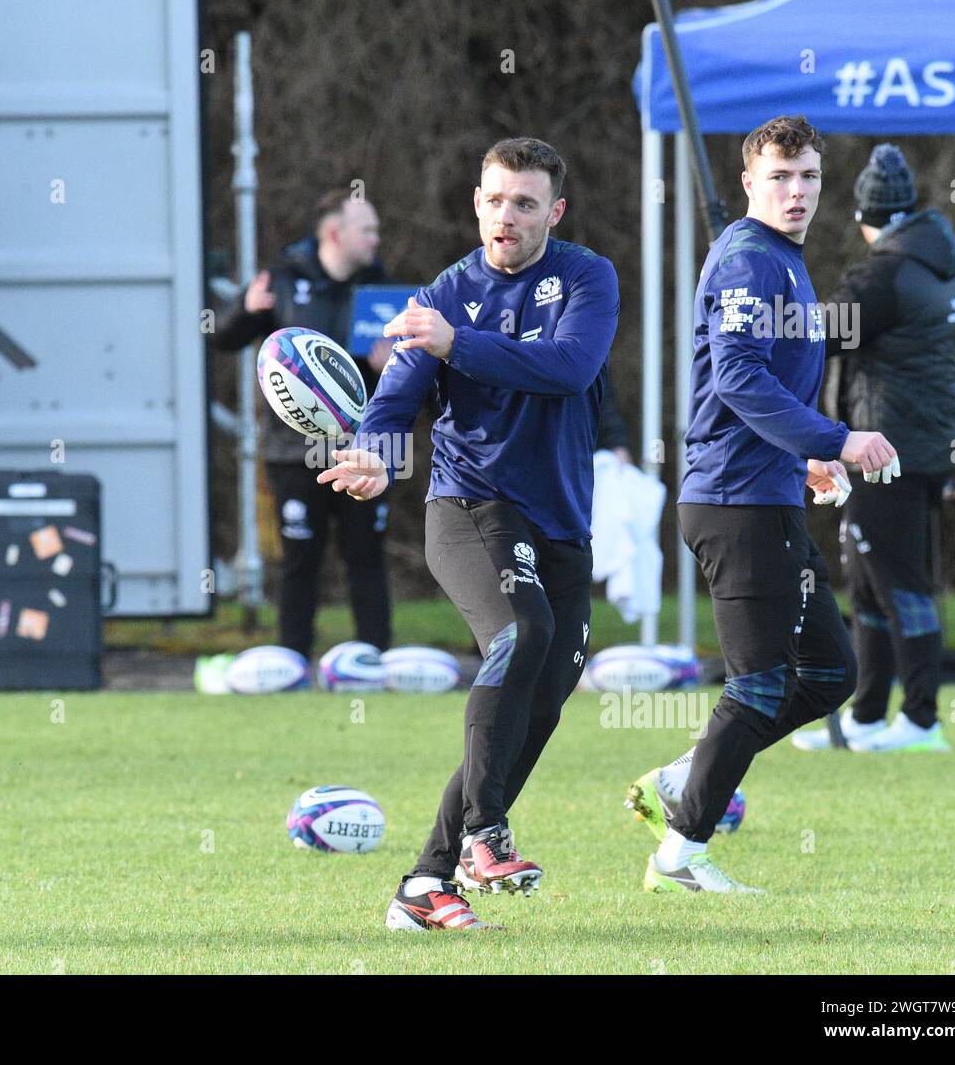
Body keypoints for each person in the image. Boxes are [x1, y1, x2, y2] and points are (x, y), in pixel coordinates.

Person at [319, 137, 619, 930]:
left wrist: (461, 344)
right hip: (469, 507)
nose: (506, 216)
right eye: (493, 199)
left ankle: (425, 883)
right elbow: (393, 402)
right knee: (520, 635)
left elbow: (567, 369)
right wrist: (378, 458)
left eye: (524, 202)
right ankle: (484, 836)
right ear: (476, 202)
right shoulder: (446, 293)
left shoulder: (588, 278)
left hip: (560, 521)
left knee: (542, 701)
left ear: (554, 211)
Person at [623, 115, 900, 894]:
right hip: (734, 506)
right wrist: (837, 439)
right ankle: (679, 855)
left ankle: (683, 776)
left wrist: (804, 454)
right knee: (758, 685)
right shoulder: (749, 260)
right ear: (749, 183)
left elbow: (753, 387)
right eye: (780, 177)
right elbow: (740, 379)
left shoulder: (781, 259)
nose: (797, 191)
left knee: (829, 673)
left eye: (809, 176)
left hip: (764, 494)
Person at [794, 145, 955, 753]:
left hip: (886, 451)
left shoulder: (885, 274)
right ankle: (868, 715)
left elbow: (817, 336)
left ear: (866, 216)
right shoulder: (944, 269)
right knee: (869, 576)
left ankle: (922, 720)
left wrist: (766, 318)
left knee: (897, 580)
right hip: (922, 447)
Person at [212, 190, 391, 661]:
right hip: (293, 452)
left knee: (366, 556)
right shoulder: (284, 280)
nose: (377, 238)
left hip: (365, 452)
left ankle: (374, 659)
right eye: (367, 229)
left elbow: (405, 376)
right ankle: (292, 660)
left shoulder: (380, 289)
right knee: (299, 561)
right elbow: (223, 339)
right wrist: (245, 310)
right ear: (335, 233)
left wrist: (388, 364)